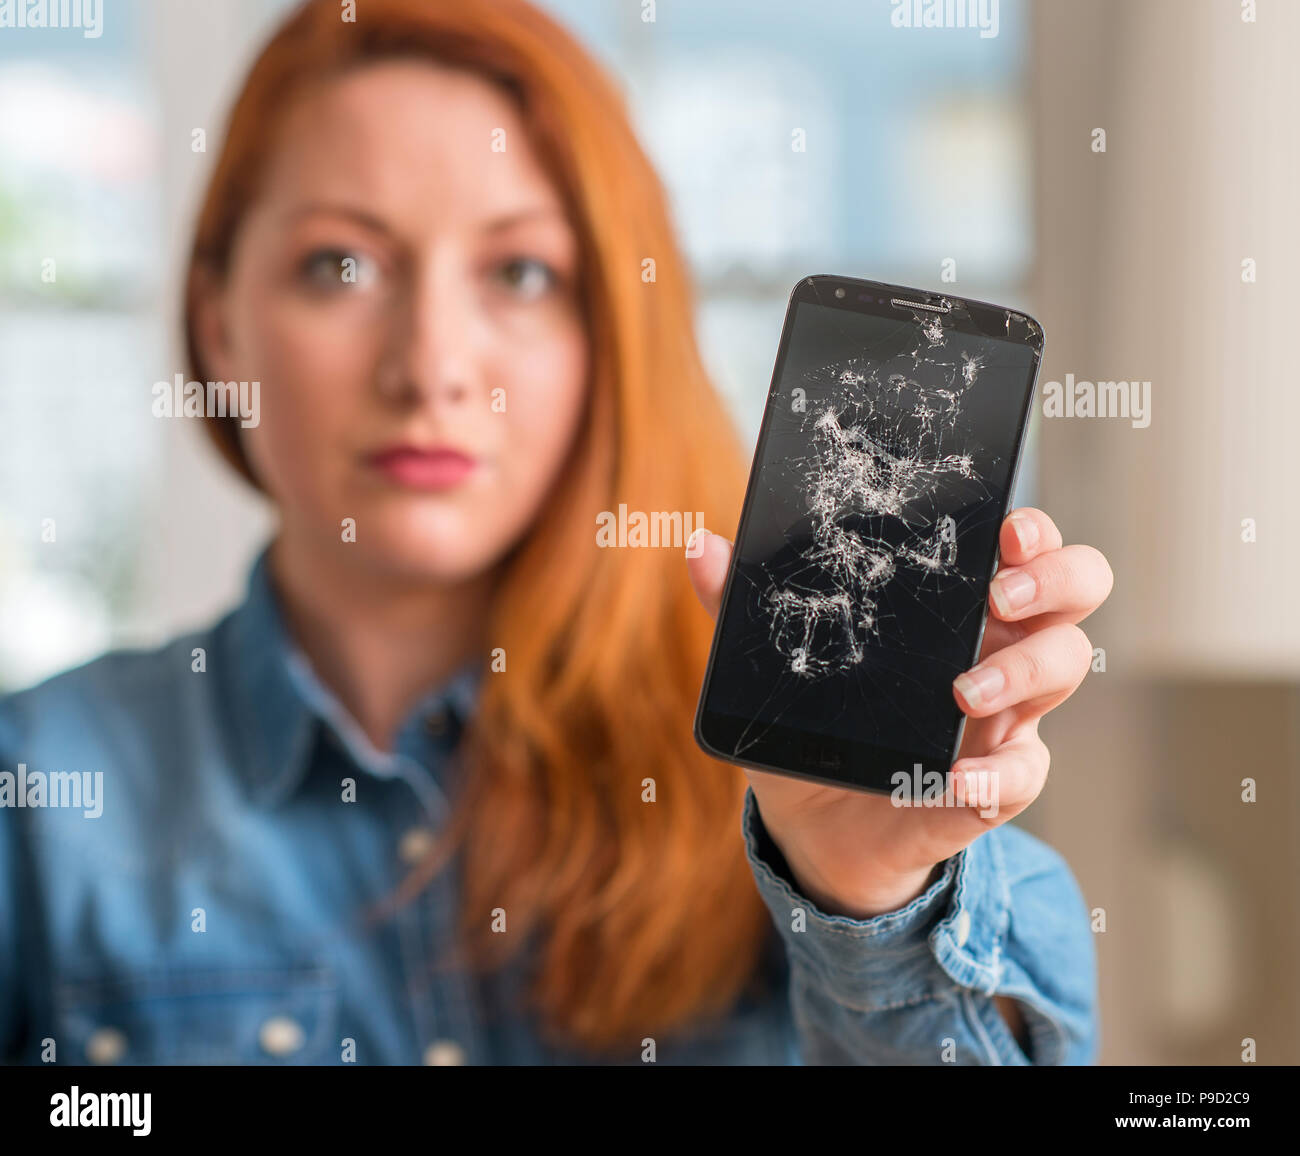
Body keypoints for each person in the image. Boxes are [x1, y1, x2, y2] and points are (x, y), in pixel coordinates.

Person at [0, 0, 1112, 1065]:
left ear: (607, 337)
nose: (430, 365)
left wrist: (865, 898)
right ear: (218, 323)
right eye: (341, 265)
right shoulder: (46, 795)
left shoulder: (771, 757)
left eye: (521, 273)